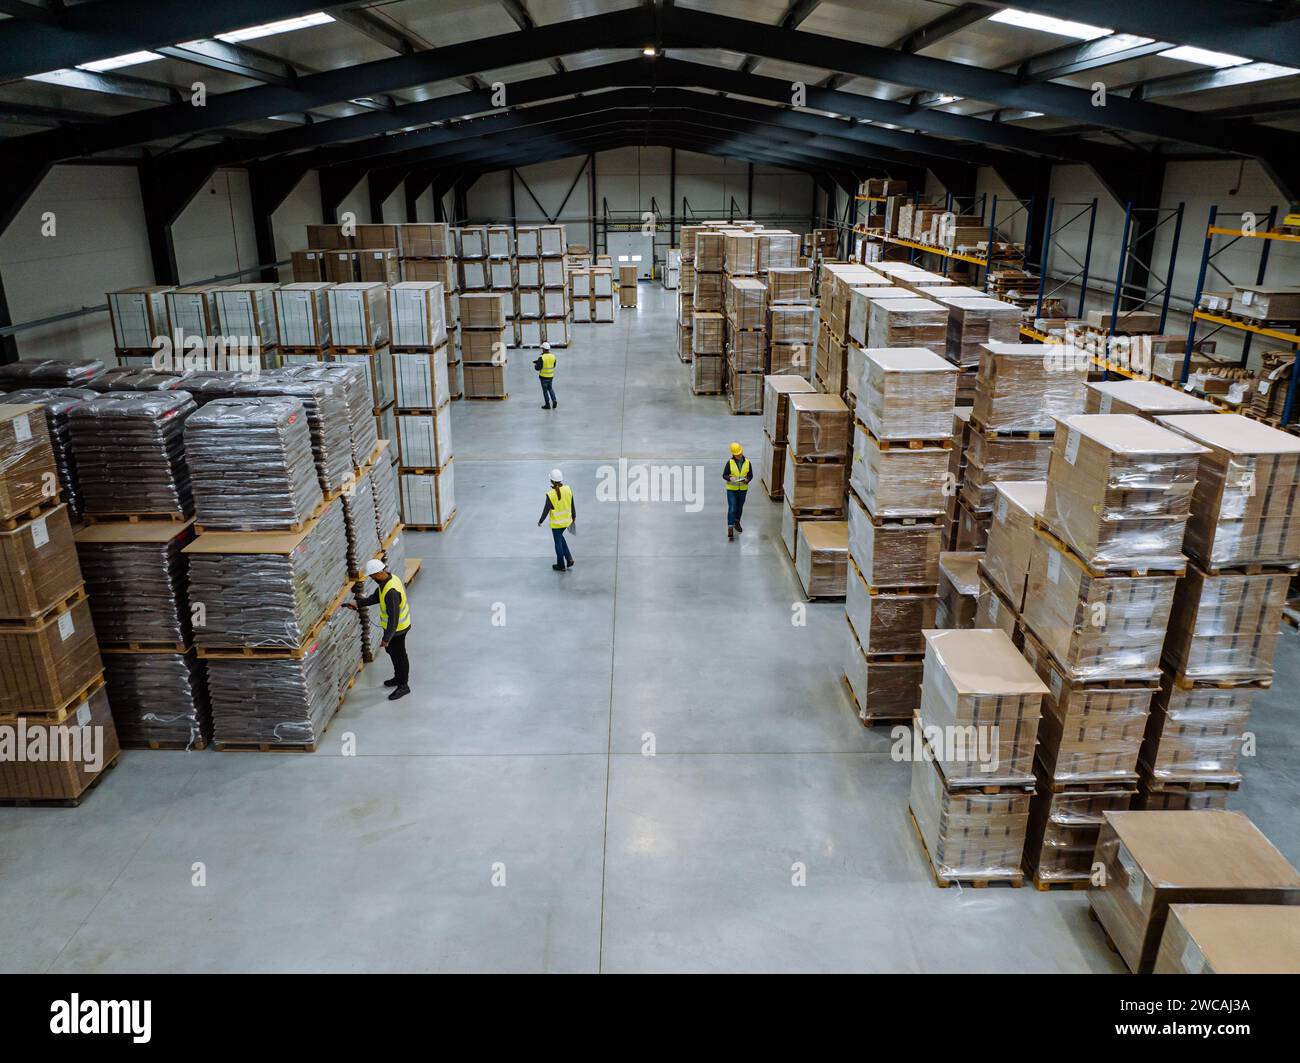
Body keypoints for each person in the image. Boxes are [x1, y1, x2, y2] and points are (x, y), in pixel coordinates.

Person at [345, 558, 412, 700]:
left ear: (379, 573)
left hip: (398, 629)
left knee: (399, 656)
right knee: (394, 654)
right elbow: (376, 598)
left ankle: (404, 686)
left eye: (372, 576)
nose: (372, 578)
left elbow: (394, 619)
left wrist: (386, 639)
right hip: (394, 629)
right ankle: (398, 678)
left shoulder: (391, 591)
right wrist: (358, 603)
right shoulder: (388, 580)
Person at [537, 467, 575, 571]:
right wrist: (574, 517)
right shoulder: (568, 489)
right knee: (561, 539)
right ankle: (569, 559)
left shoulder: (551, 495)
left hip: (557, 524)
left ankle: (561, 565)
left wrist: (540, 521)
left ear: (551, 481)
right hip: (567, 521)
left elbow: (546, 510)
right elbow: (572, 504)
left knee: (558, 543)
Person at [723, 441, 752, 541]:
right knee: (732, 507)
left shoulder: (747, 462)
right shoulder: (729, 463)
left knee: (739, 507)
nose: (739, 455)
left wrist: (747, 480)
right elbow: (724, 475)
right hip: (731, 489)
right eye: (737, 454)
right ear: (733, 454)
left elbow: (750, 475)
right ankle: (730, 527)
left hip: (743, 489)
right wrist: (729, 478)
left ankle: (737, 522)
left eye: (740, 453)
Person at [534, 341, 558, 410]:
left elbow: (538, 368)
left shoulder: (542, 357)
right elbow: (553, 365)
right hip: (550, 376)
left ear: (544, 349)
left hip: (543, 377)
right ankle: (554, 400)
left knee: (545, 391)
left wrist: (536, 365)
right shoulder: (553, 356)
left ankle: (547, 404)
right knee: (550, 388)